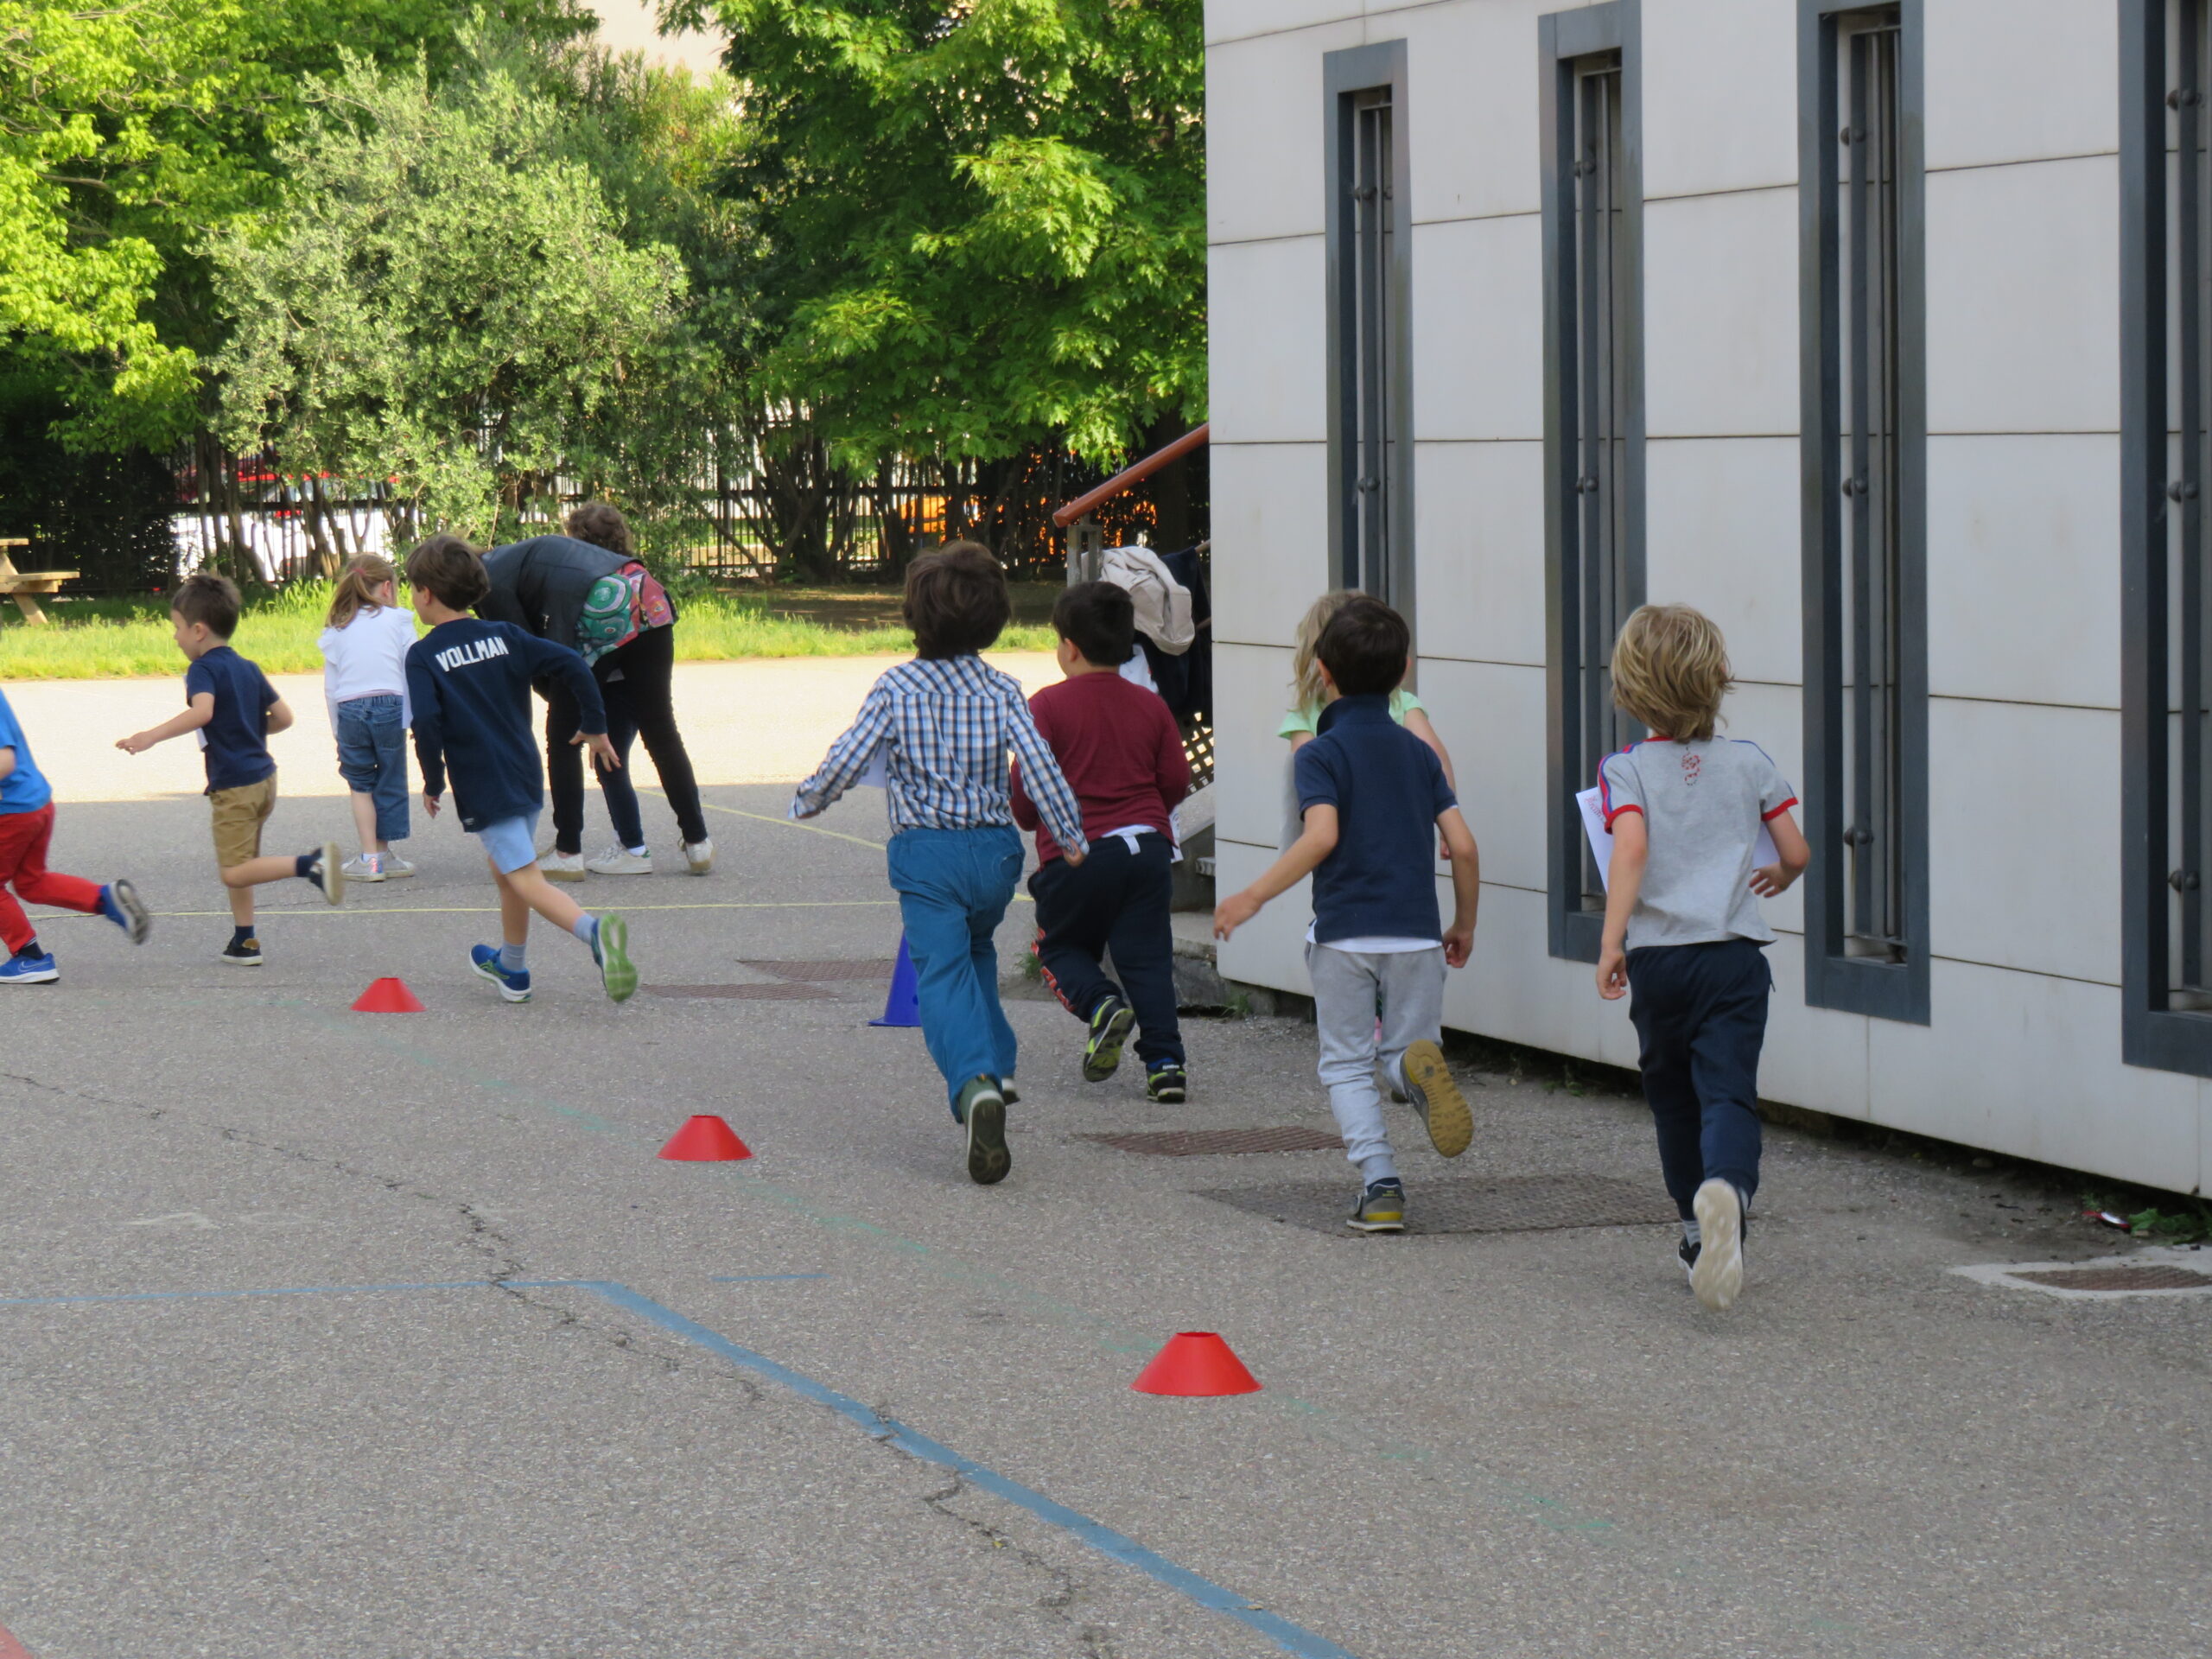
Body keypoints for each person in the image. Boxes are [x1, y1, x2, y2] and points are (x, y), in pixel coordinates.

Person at [791, 543, 1089, 1186]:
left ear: (913, 617)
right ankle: (1000, 1064)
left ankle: (973, 1083)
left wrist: (810, 799)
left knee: (941, 975)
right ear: (997, 619)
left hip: (928, 855)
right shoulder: (1003, 688)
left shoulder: (896, 686)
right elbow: (1039, 767)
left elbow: (849, 756)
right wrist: (1070, 835)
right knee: (977, 950)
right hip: (994, 855)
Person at [1213, 595, 1482, 1234]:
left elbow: (1321, 837)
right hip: (1416, 931)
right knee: (1406, 1050)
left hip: (1344, 934)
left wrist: (1252, 896)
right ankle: (1412, 1070)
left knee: (1343, 1063)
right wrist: (1464, 923)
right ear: (1404, 671)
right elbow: (1465, 846)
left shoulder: (1319, 754)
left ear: (1322, 671)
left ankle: (1381, 1185)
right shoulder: (1420, 755)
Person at [1592, 604, 1809, 1313]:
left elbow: (1629, 849)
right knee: (1728, 1092)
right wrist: (1779, 876)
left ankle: (1693, 1225)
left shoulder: (1624, 771)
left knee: (1672, 1099)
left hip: (1660, 963)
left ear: (1628, 690)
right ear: (1720, 679)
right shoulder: (1750, 762)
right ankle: (1730, 1190)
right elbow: (1797, 851)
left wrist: (1611, 941)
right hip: (1735, 960)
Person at [404, 536, 637, 1005]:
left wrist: (432, 779)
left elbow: (426, 722)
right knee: (506, 868)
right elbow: (571, 661)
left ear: (426, 593)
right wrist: (594, 722)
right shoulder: (505, 636)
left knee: (525, 876)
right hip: (525, 773)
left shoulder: (424, 655)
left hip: (485, 783)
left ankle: (594, 933)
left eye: (412, 588)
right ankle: (512, 967)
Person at [1011, 582, 1192, 1102]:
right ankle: (1166, 1066)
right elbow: (1175, 780)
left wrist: (1029, 818)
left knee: (1061, 945)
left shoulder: (1046, 705)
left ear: (1069, 646)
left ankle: (1101, 1004)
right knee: (1148, 957)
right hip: (1149, 848)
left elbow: (1026, 791)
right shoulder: (1150, 705)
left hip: (1080, 852)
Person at [116, 572, 343, 962]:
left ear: (199, 630)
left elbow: (202, 712)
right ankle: (245, 940)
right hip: (264, 780)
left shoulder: (203, 669)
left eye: (178, 628)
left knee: (233, 872)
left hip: (235, 787)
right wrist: (249, 729)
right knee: (245, 865)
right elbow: (284, 717)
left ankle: (312, 864)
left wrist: (150, 736)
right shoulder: (247, 667)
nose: (176, 637)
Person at [479, 505, 711, 880]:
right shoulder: (623, 565)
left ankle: (569, 849)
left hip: (603, 616)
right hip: (650, 600)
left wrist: (560, 698)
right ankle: (698, 841)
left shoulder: (572, 570)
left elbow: (543, 650)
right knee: (662, 732)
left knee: (564, 738)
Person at [1280, 588, 1458, 856]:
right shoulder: (1401, 703)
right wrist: (1447, 826)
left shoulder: (1305, 716)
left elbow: (1302, 784)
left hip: (1341, 853)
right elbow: (1436, 757)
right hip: (1402, 846)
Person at [0, 688, 153, 983]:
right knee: (32, 883)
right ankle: (105, 899)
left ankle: (29, 957)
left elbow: (5, 761)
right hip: (35, 802)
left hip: (13, 810)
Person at [318, 553, 418, 882]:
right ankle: (384, 852)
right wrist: (412, 717)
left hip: (349, 708)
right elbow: (411, 669)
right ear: (387, 587)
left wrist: (338, 730)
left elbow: (331, 688)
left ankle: (370, 860)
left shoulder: (337, 627)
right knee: (390, 778)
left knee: (361, 785)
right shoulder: (399, 620)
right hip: (391, 703)